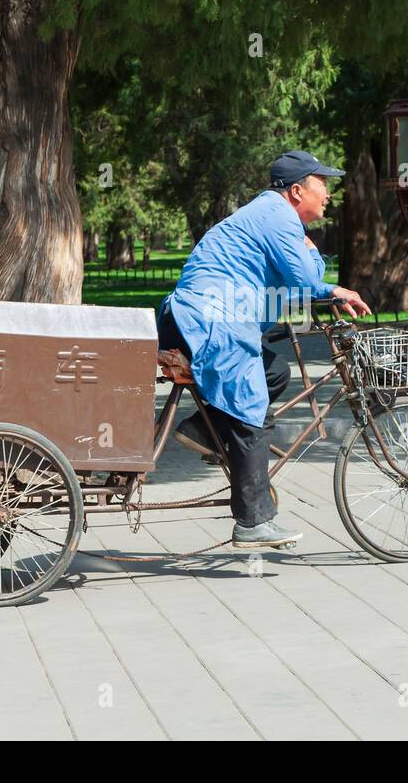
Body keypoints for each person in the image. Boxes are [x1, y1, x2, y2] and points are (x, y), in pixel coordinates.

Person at [158, 150, 371, 547]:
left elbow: (292, 286)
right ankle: (253, 522)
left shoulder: (271, 215)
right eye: (321, 184)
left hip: (197, 318)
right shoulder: (277, 217)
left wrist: (311, 265)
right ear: (296, 191)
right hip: (211, 321)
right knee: (251, 403)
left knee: (274, 372)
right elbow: (306, 281)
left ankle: (205, 430)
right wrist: (329, 280)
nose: (327, 193)